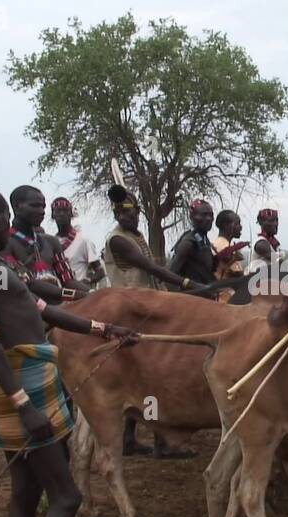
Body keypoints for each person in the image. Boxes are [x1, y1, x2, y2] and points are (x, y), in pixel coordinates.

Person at [0, 183, 137, 517]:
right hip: (21, 387)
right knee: (67, 498)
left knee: (25, 491)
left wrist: (104, 328)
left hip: (23, 383)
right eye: (5, 212)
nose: (7, 219)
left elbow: (40, 308)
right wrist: (24, 405)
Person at [101, 184, 203, 459]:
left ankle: (131, 439)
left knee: (143, 379)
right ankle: (161, 441)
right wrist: (186, 282)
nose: (127, 216)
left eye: (131, 211)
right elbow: (150, 268)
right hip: (131, 312)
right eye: (121, 212)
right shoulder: (118, 239)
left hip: (144, 309)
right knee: (152, 377)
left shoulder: (136, 236)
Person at [3, 186, 88, 305]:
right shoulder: (4, 243)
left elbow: (68, 281)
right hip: (27, 313)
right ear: (17, 207)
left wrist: (96, 294)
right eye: (35, 206)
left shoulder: (51, 242)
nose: (41, 211)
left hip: (59, 309)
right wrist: (79, 295)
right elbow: (28, 285)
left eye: (43, 206)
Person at [51, 197, 104, 287]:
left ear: (71, 214)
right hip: (58, 294)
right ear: (53, 215)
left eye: (65, 211)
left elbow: (100, 271)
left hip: (79, 293)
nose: (62, 214)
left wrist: (88, 280)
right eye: (58, 211)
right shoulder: (51, 242)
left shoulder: (83, 240)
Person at [169, 199, 217, 290]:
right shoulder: (188, 243)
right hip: (191, 298)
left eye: (211, 215)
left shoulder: (204, 240)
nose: (208, 219)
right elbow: (171, 274)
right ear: (192, 216)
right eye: (203, 215)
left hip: (206, 295)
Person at [211, 209, 248, 304]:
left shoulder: (222, 244)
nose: (240, 227)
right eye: (237, 224)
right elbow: (238, 275)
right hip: (224, 298)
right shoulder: (222, 246)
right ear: (225, 225)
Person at [250, 208, 282, 272]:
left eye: (276, 220)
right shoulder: (261, 243)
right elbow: (280, 263)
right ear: (261, 222)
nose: (275, 224)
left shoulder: (272, 242)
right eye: (271, 221)